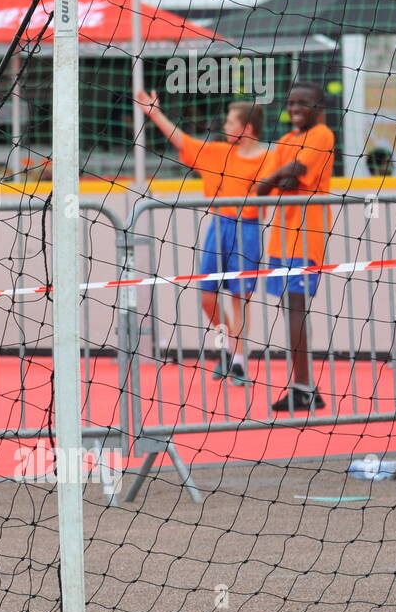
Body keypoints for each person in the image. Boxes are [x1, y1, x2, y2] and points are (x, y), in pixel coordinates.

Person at [137, 90, 268, 384]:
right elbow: (182, 141)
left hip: (246, 230)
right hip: (219, 226)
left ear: (246, 129)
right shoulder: (217, 152)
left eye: (230, 123)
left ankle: (238, 361)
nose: (225, 128)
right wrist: (154, 113)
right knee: (207, 297)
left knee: (239, 298)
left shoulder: (268, 159)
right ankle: (228, 349)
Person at [255, 83, 336, 411]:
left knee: (297, 310)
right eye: (291, 103)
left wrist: (280, 177)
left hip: (307, 237)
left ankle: (303, 387)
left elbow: (297, 172)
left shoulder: (322, 135)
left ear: (319, 106)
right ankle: (303, 387)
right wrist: (279, 177)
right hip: (281, 238)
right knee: (289, 310)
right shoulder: (287, 141)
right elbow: (264, 189)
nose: (295, 108)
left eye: (304, 103)